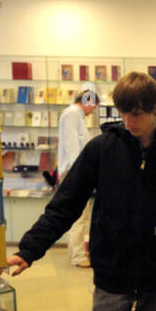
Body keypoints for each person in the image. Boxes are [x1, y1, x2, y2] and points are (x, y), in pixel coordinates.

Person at [3, 72, 156, 311]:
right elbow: (65, 205)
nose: (128, 121)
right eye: (123, 113)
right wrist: (30, 249)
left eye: (136, 114)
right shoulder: (101, 149)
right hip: (112, 275)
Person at [57, 86, 99, 267]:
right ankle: (78, 256)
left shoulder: (75, 115)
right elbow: (72, 144)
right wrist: (80, 172)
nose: (94, 110)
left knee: (81, 214)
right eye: (93, 105)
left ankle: (76, 251)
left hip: (76, 169)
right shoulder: (73, 114)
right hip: (75, 170)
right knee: (79, 215)